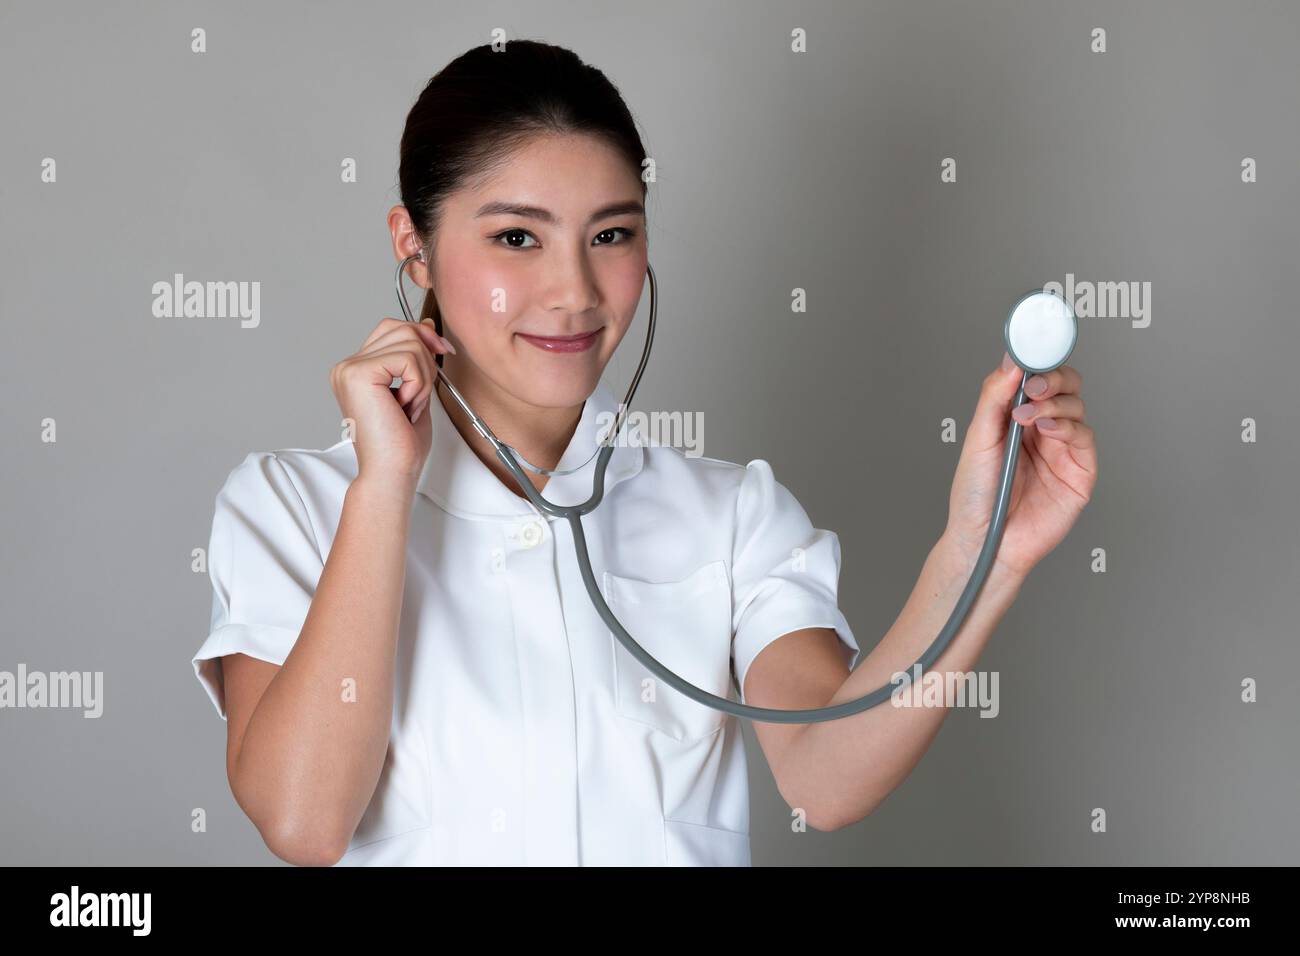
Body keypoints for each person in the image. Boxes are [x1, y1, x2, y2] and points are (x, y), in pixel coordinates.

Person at [191, 40, 1097, 867]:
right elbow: (303, 823)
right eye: (517, 237)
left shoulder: (732, 513)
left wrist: (986, 554)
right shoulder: (294, 506)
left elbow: (825, 777)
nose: (575, 291)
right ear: (413, 248)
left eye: (611, 236)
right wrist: (386, 483)